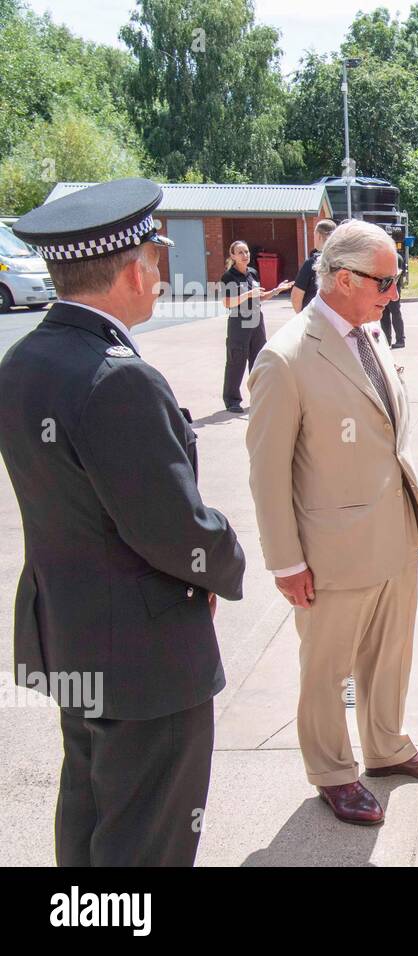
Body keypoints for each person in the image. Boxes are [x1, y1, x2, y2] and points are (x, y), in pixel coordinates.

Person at [0, 178, 246, 865]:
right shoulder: (116, 378)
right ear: (135, 267)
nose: (160, 273)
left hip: (74, 636)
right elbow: (173, 527)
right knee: (148, 840)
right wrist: (227, 561)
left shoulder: (24, 361)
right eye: (155, 257)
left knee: (89, 815)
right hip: (144, 653)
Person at [246, 219, 418, 826]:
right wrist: (286, 562)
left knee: (390, 653)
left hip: (393, 531)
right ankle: (332, 772)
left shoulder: (369, 333)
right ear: (344, 278)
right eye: (387, 282)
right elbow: (266, 474)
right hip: (330, 551)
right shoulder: (285, 358)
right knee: (326, 667)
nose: (394, 292)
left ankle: (386, 748)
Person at [220, 240, 291, 414]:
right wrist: (248, 294)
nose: (245, 255)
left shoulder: (252, 273)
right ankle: (232, 400)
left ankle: (259, 395)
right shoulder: (229, 277)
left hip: (257, 321)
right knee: (236, 361)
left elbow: (259, 297)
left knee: (258, 360)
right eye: (241, 252)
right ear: (233, 256)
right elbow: (227, 303)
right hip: (239, 323)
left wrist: (276, 290)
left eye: (246, 252)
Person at [291, 218, 337, 313]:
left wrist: (301, 318)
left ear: (319, 236)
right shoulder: (342, 262)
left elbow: (296, 296)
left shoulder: (312, 264)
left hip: (314, 318)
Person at [380, 236, 407, 349]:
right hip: (395, 288)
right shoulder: (399, 256)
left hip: (389, 287)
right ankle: (396, 339)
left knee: (389, 314)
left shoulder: (391, 257)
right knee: (392, 313)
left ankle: (391, 339)